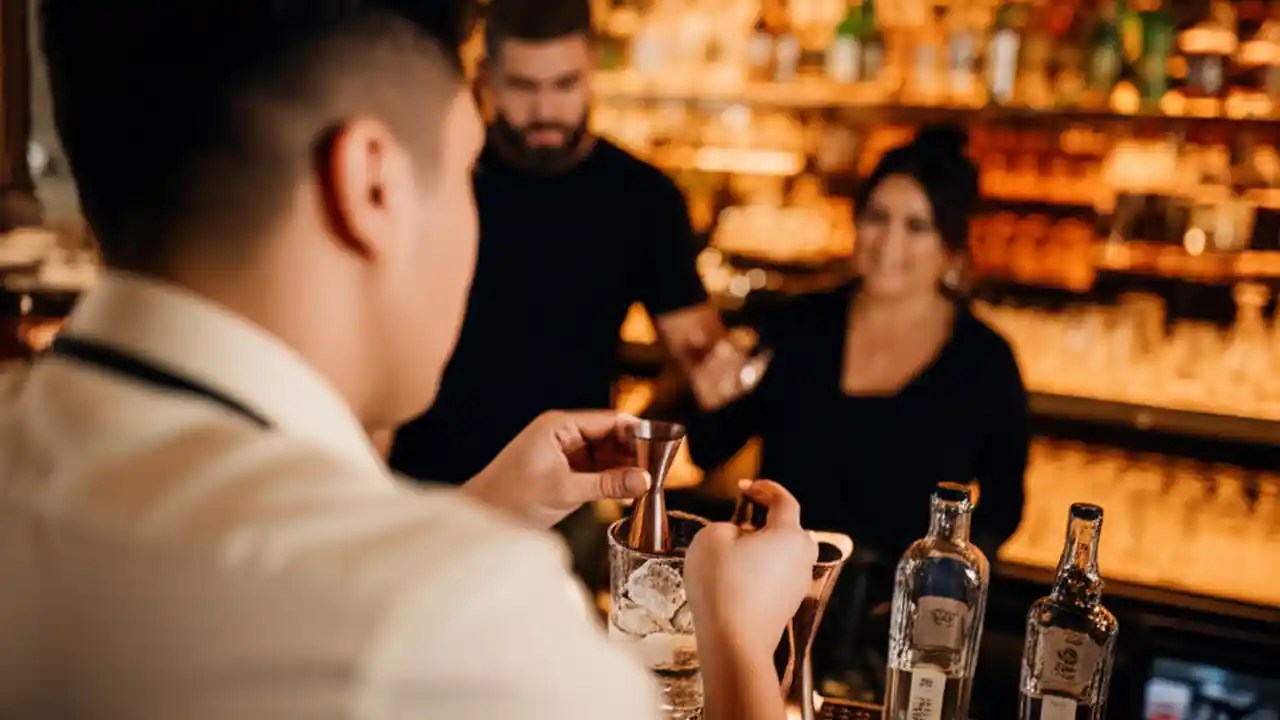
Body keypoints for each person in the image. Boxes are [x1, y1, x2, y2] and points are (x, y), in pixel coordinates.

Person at [0, 2, 815, 718]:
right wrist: (739, 640)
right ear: (372, 185)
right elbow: (390, 615)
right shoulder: (463, 628)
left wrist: (482, 513)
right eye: (464, 171)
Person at [685, 126, 1029, 694]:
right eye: (876, 217)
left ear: (950, 247)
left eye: (916, 225)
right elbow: (711, 446)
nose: (888, 242)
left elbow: (1006, 503)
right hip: (766, 615)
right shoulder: (799, 325)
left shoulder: (984, 362)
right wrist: (708, 389)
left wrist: (942, 588)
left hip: (892, 637)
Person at [389, 0, 753, 485]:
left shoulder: (642, 197)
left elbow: (697, 359)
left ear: (591, 70)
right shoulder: (438, 176)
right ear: (486, 77)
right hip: (422, 481)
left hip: (566, 487)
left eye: (564, 85)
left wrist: (703, 379)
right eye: (523, 87)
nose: (545, 111)